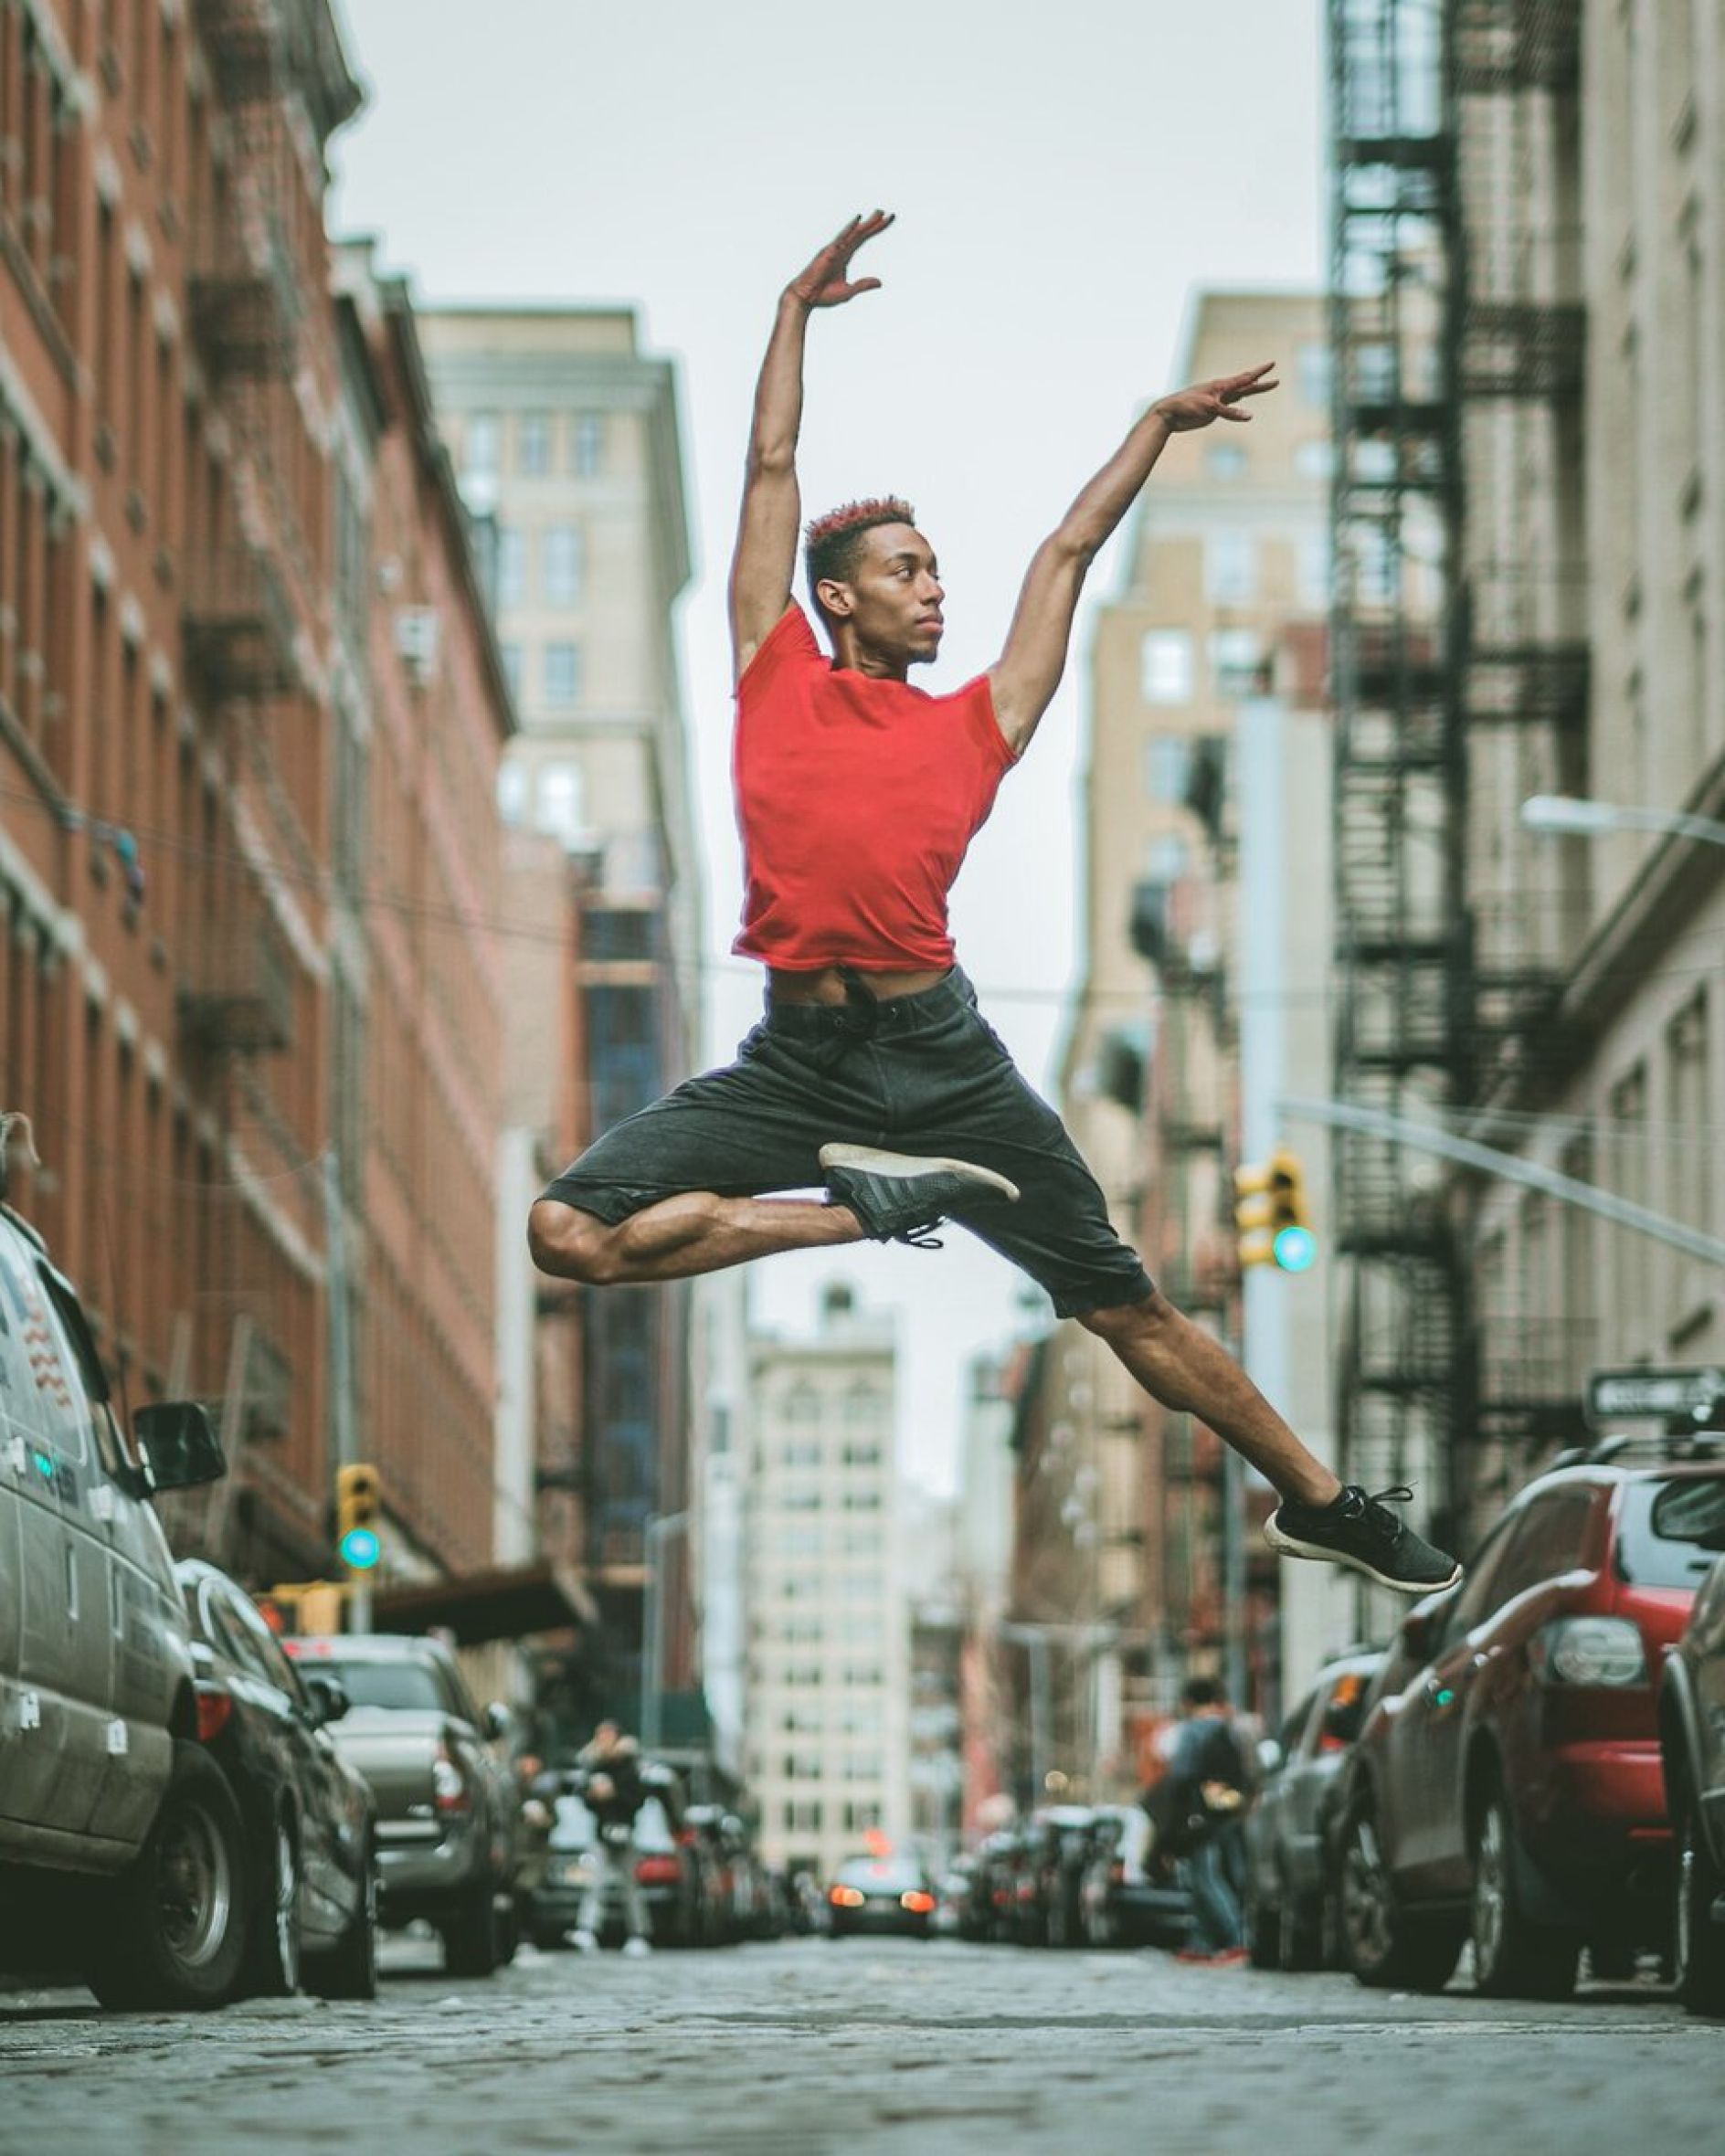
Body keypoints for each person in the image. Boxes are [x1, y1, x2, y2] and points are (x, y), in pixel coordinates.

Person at [526, 212, 1461, 1599]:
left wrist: (1153, 429)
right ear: (835, 598)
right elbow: (771, 465)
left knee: (1126, 1305)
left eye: (938, 571)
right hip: (798, 1061)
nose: (935, 591)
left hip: (944, 1060)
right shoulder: (771, 665)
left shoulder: (980, 720)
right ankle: (872, 1210)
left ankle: (1325, 1503)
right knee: (568, 1231)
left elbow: (1068, 552)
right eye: (906, 571)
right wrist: (792, 312)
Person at [1163, 1677, 1251, 1967]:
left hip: (1200, 1816)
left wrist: (1174, 1816)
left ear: (1188, 1702)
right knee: (1218, 1876)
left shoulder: (1192, 1731)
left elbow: (1181, 1775)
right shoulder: (1231, 1728)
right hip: (1229, 1811)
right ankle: (1201, 1943)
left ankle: (1237, 1939)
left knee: (1205, 1878)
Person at [569, 1721, 652, 1957]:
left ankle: (638, 1933)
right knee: (594, 1884)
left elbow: (638, 1798)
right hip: (602, 1834)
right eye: (600, 1736)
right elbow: (582, 1796)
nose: (603, 1741)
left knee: (630, 1887)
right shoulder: (594, 1764)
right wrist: (593, 1795)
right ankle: (587, 1929)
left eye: (607, 1736)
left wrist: (615, 1793)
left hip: (625, 1832)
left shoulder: (629, 1765)